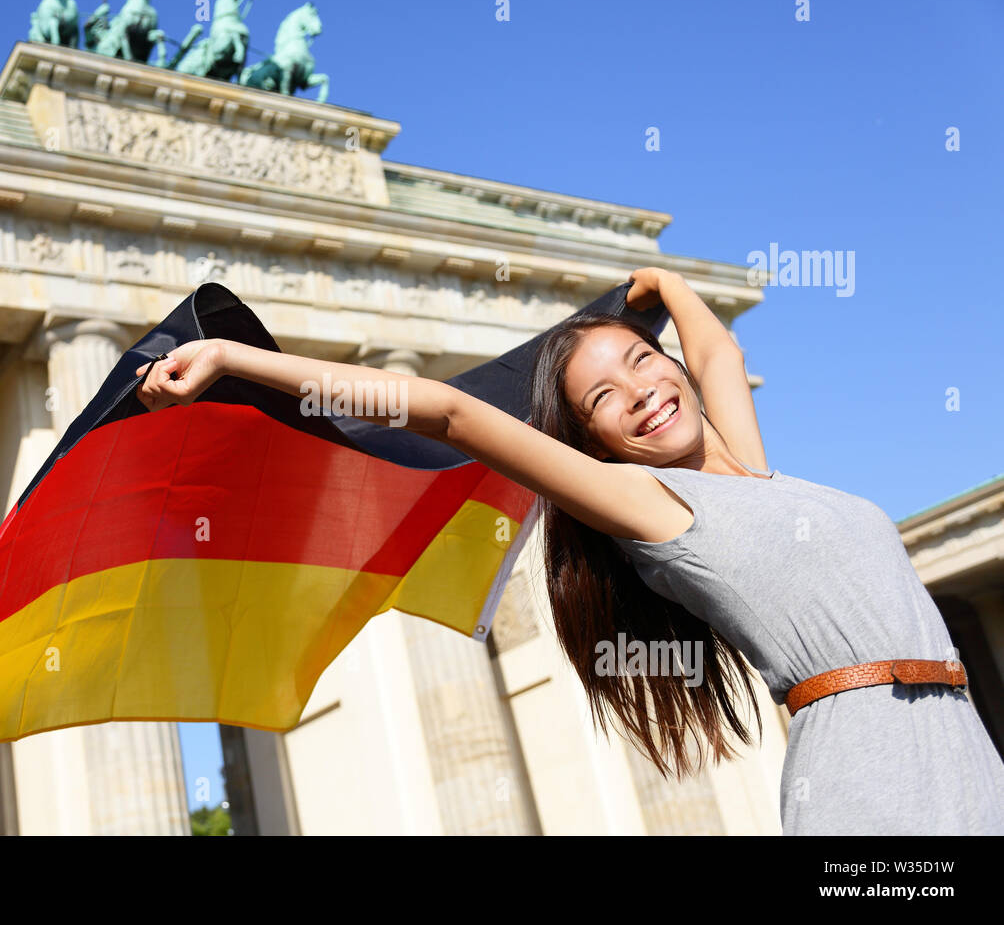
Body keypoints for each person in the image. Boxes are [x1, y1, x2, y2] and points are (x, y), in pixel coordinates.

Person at [135, 266, 1004, 835]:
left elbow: (716, 348)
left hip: (965, 748)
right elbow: (450, 413)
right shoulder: (653, 506)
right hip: (869, 779)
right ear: (597, 444)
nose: (642, 391)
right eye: (604, 396)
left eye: (641, 361)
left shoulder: (757, 474)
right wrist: (235, 358)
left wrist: (664, 282)